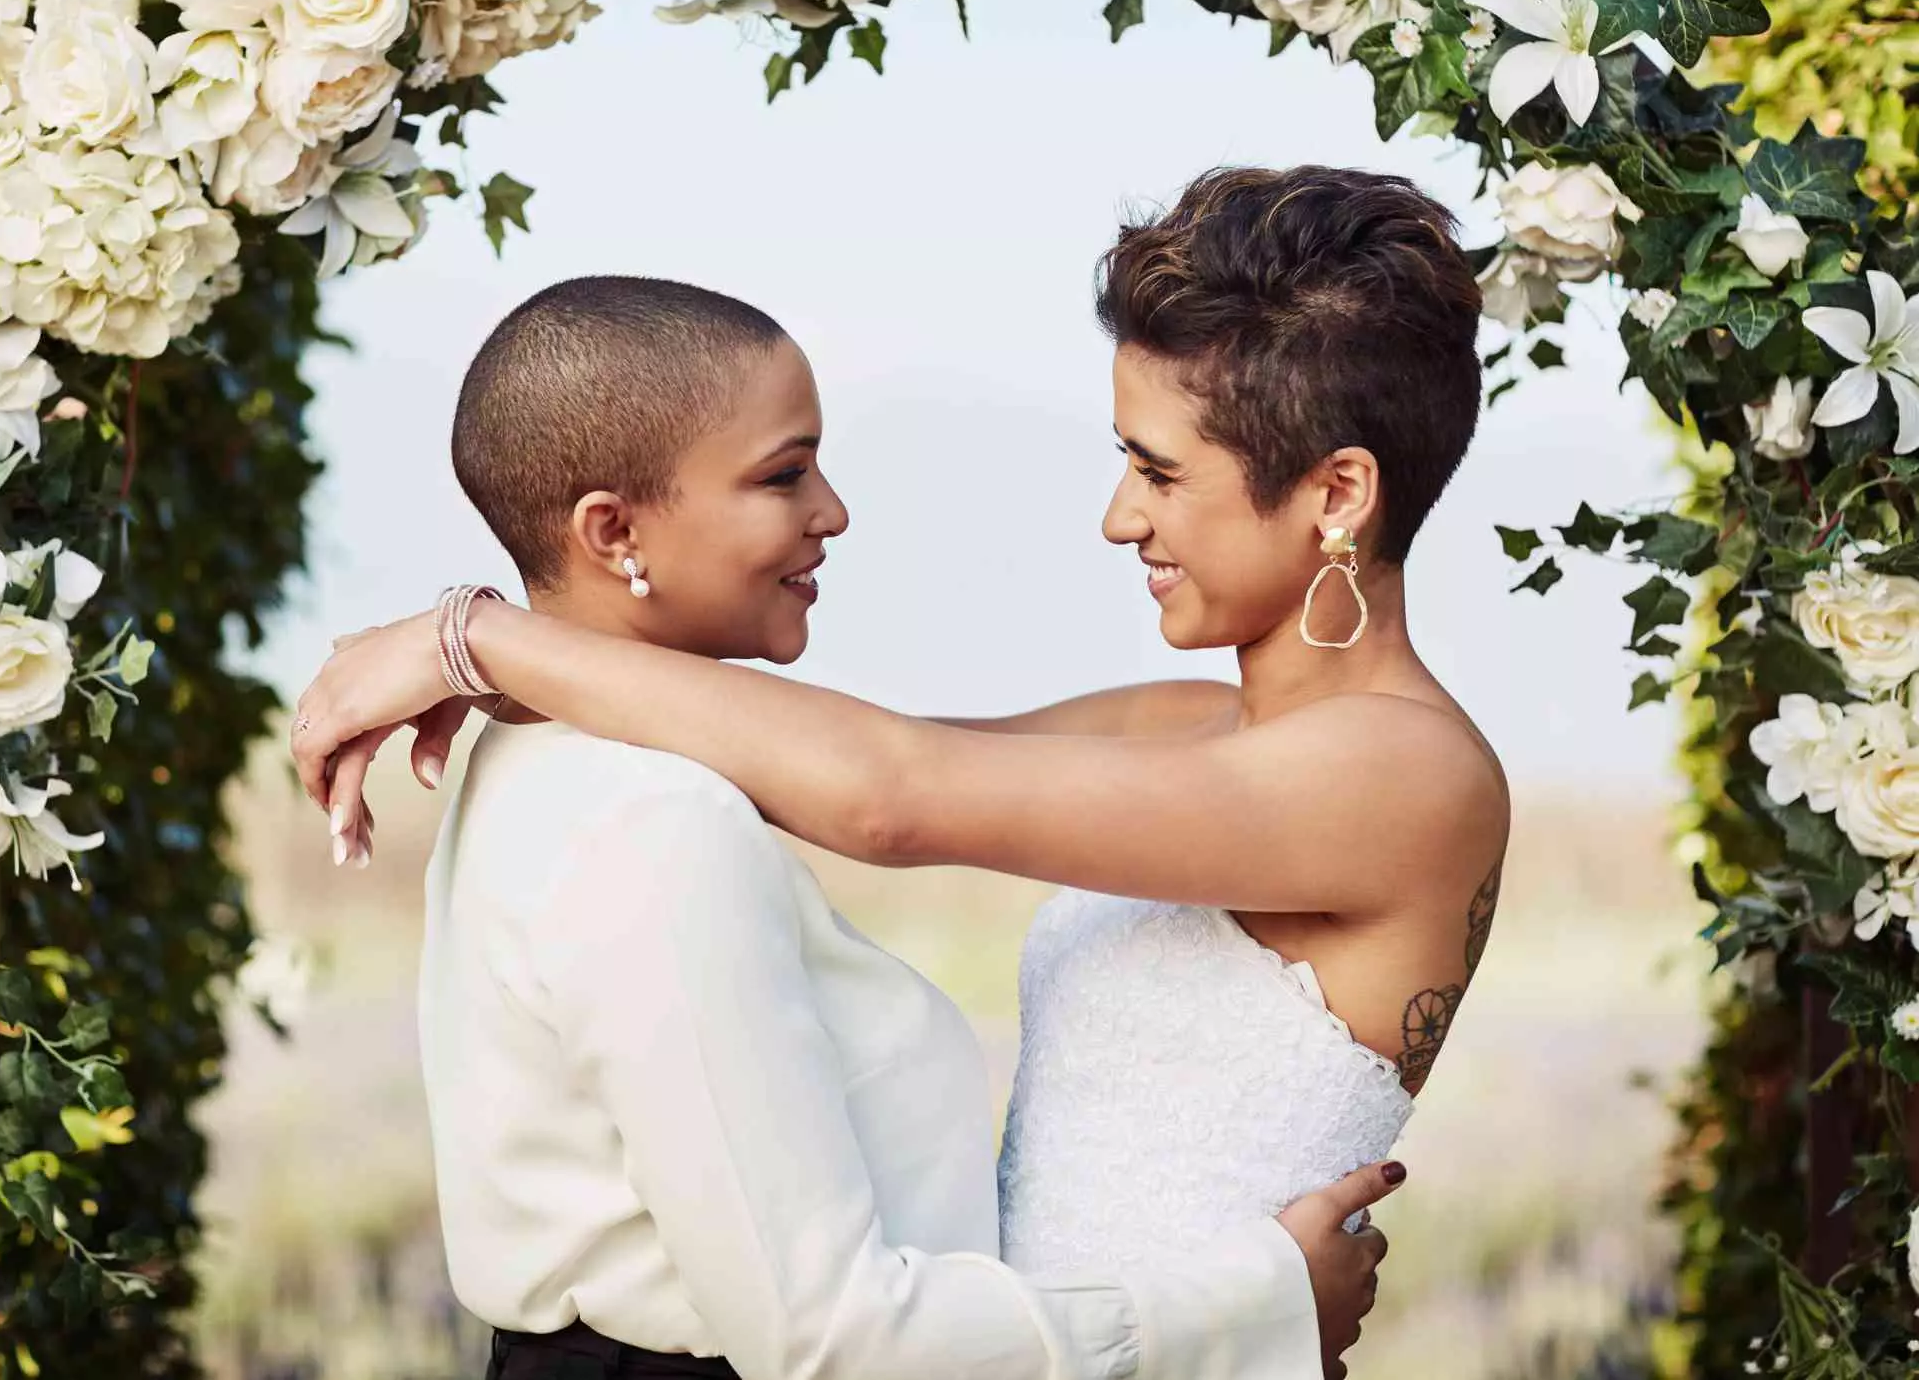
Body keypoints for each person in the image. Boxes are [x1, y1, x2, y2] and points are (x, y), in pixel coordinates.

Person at [325, 275, 1397, 1380]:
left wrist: (487, 645)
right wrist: (1255, 1305)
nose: (831, 510)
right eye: (784, 475)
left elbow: (917, 760)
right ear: (613, 529)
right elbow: (829, 1335)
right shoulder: (652, 825)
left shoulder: (557, 756)